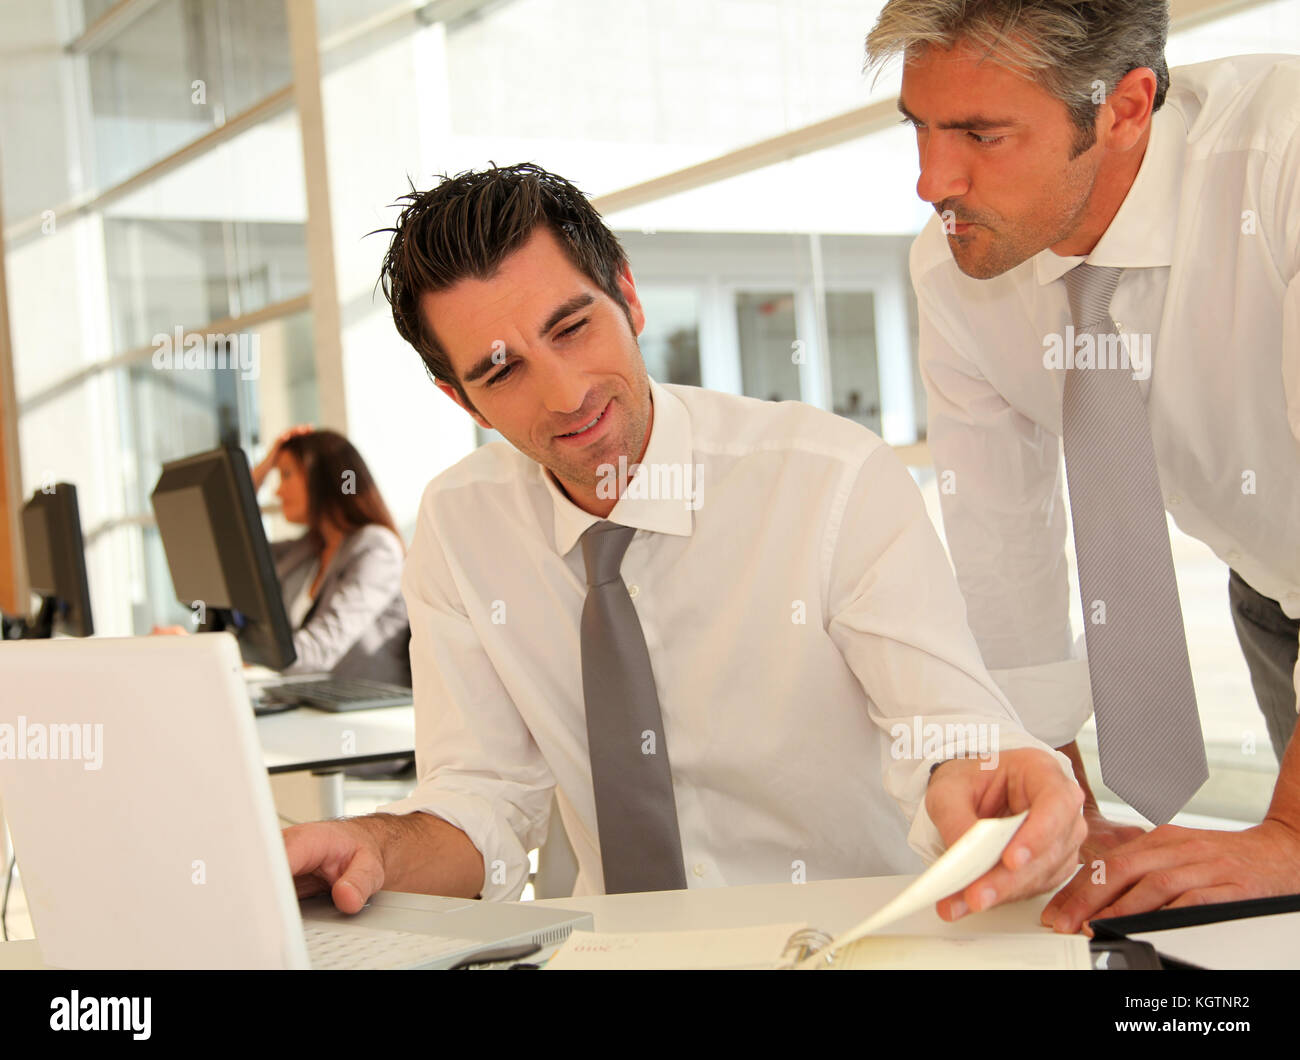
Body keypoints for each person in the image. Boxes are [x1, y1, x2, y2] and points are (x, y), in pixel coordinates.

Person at [283, 162, 1084, 915]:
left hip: (851, 945)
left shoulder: (829, 480)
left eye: (571, 328)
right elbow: (481, 799)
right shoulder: (460, 527)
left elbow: (944, 728)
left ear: (627, 293)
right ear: (462, 401)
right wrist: (374, 847)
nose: (566, 395)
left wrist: (981, 776)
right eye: (503, 371)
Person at [862, 0, 1300, 933]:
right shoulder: (956, 272)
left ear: (1126, 106)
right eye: (921, 128)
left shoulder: (1285, 166)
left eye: (982, 133)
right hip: (1275, 589)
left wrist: (1291, 829)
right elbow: (1002, 543)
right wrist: (1062, 803)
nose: (931, 181)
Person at [155, 429, 410, 686]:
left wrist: (208, 650)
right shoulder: (305, 550)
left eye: (286, 475)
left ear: (322, 478)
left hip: (367, 710)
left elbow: (318, 652)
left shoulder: (377, 549)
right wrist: (259, 471)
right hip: (307, 699)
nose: (277, 492)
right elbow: (221, 545)